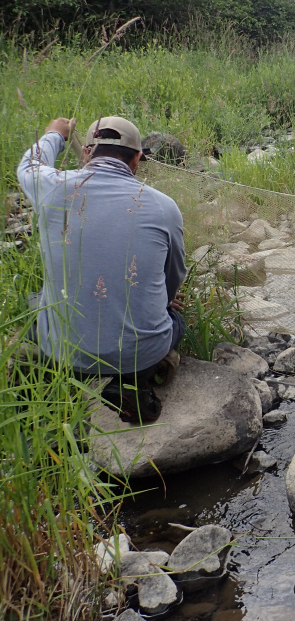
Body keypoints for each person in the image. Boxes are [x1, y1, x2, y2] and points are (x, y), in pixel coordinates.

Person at [17, 116, 187, 422]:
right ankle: (132, 382)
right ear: (137, 159)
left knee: (35, 305)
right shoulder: (164, 206)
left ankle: (60, 390)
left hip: (63, 352)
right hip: (139, 355)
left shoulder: (51, 188)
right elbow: (175, 274)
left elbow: (29, 165)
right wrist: (163, 302)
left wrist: (55, 134)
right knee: (177, 321)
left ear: (87, 153)